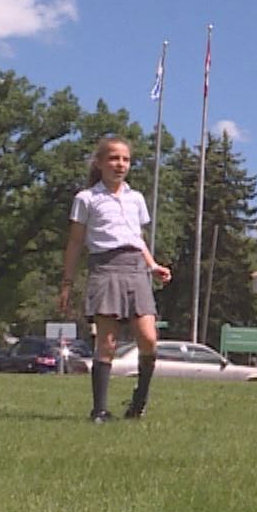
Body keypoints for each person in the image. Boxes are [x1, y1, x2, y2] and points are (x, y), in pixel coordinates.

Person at [58, 135, 172, 423]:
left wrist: (153, 265)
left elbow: (137, 238)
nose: (119, 164)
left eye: (125, 159)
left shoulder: (136, 198)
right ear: (99, 163)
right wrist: (67, 284)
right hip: (105, 268)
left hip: (136, 269)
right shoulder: (86, 199)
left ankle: (139, 402)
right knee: (106, 342)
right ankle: (99, 410)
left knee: (148, 338)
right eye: (113, 158)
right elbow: (74, 243)